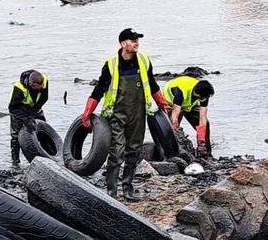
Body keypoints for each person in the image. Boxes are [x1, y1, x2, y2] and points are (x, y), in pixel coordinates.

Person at [79, 28, 156, 198]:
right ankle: (111, 193)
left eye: (137, 40)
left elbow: (153, 84)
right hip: (117, 116)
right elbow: (99, 90)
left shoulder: (143, 60)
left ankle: (127, 189)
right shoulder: (111, 64)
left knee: (134, 151)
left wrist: (164, 106)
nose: (137, 43)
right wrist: (87, 114)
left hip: (138, 115)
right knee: (116, 152)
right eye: (133, 40)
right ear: (123, 44)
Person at [160, 70, 215, 154]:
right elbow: (175, 114)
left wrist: (201, 140)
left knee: (206, 125)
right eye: (201, 98)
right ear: (196, 94)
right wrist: (175, 127)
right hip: (173, 104)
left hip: (190, 104)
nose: (204, 99)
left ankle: (205, 151)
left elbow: (202, 117)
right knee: (172, 128)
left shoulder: (204, 93)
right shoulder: (180, 92)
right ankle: (171, 152)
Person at [7, 69, 49, 168]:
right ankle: (15, 162)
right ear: (32, 85)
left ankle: (49, 156)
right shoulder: (19, 88)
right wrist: (26, 119)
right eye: (39, 88)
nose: (41, 89)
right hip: (19, 109)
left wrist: (33, 113)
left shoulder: (44, 81)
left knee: (43, 131)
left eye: (42, 86)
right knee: (15, 136)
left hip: (35, 108)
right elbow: (12, 108)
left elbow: (44, 98)